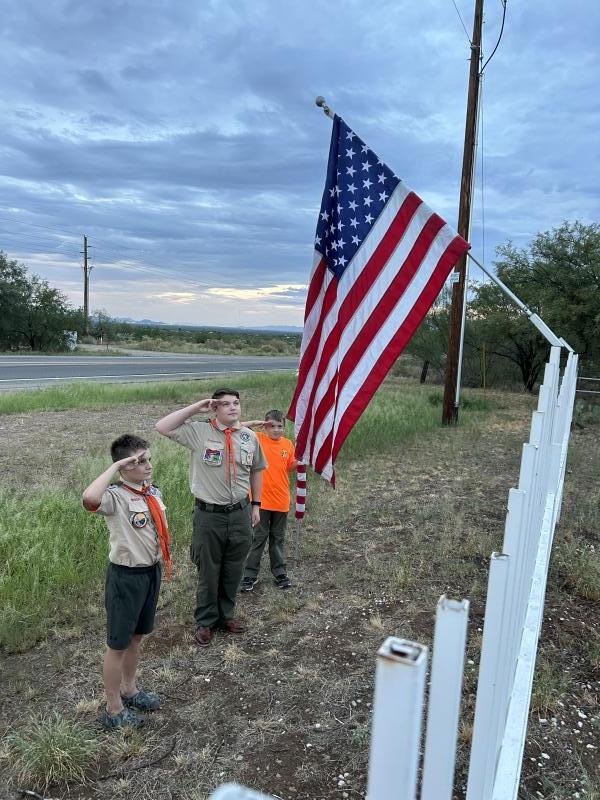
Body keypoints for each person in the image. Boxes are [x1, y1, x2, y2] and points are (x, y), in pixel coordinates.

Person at [155, 388, 266, 647]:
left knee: (234, 568)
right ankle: (205, 621)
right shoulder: (199, 432)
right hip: (209, 515)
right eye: (224, 404)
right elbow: (162, 426)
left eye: (236, 403)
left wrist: (256, 505)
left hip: (240, 512)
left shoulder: (250, 437)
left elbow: (257, 471)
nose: (232, 408)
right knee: (209, 569)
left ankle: (225, 616)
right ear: (214, 408)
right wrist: (197, 406)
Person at [82, 434, 171, 729]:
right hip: (126, 577)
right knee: (117, 644)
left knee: (136, 637)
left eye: (148, 459)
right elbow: (89, 499)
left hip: (150, 572)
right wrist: (115, 466)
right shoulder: (115, 497)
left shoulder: (152, 491)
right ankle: (113, 708)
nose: (147, 465)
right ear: (123, 467)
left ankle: (129, 689)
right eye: (139, 461)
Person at [240, 410, 297, 591]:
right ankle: (250, 575)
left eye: (280, 426)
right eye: (271, 426)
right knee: (258, 538)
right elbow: (237, 427)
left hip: (281, 500)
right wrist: (257, 423)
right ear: (265, 427)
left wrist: (304, 459)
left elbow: (290, 466)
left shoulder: (288, 444)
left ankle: (279, 573)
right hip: (260, 501)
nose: (276, 430)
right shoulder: (258, 439)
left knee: (277, 538)